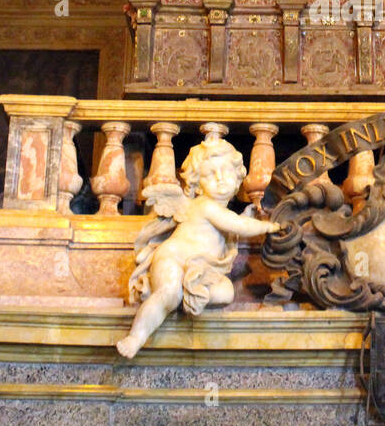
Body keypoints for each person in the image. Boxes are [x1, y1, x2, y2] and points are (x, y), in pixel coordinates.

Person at [116, 132, 282, 358]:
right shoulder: (205, 206)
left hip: (199, 270)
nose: (221, 178)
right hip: (173, 258)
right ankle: (136, 336)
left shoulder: (220, 211)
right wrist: (266, 227)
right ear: (197, 185)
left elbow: (234, 222)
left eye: (227, 172)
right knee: (168, 293)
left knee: (226, 292)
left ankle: (190, 292)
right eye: (210, 175)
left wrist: (249, 215)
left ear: (237, 176)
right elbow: (239, 225)